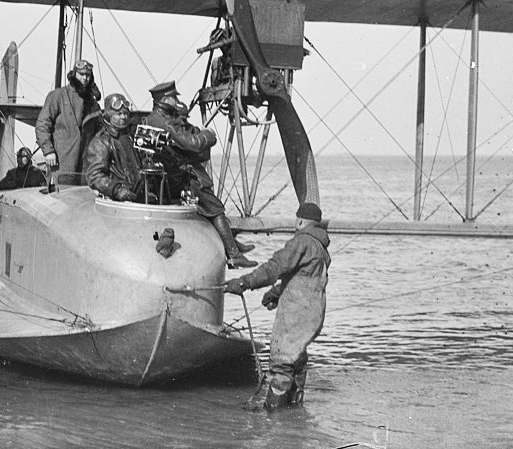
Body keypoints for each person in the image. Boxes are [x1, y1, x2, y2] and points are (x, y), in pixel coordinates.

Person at [224, 202, 330, 409]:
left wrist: (244, 282)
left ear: (299, 220)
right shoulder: (320, 247)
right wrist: (275, 293)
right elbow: (304, 279)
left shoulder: (302, 242)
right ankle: (294, 421)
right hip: (312, 313)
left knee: (281, 363)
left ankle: (273, 417)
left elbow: (275, 267)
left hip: (295, 314)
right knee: (296, 363)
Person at [142, 81, 256, 268]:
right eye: (173, 97)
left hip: (167, 175)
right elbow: (193, 143)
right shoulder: (166, 122)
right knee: (215, 207)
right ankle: (234, 255)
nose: (176, 100)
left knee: (211, 202)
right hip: (180, 178)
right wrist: (209, 136)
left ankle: (232, 244)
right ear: (165, 99)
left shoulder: (152, 119)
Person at [36, 59, 101, 186]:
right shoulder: (58, 96)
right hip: (61, 161)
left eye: (87, 75)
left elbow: (100, 132)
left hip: (85, 164)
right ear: (75, 74)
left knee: (82, 199)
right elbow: (42, 124)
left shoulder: (92, 104)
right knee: (60, 197)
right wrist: (48, 151)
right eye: (81, 74)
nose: (84, 78)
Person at [85, 93, 142, 201]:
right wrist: (116, 190)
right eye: (119, 114)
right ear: (108, 115)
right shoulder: (101, 141)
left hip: (136, 197)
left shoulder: (130, 138)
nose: (123, 117)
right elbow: (95, 175)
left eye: (125, 113)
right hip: (115, 201)